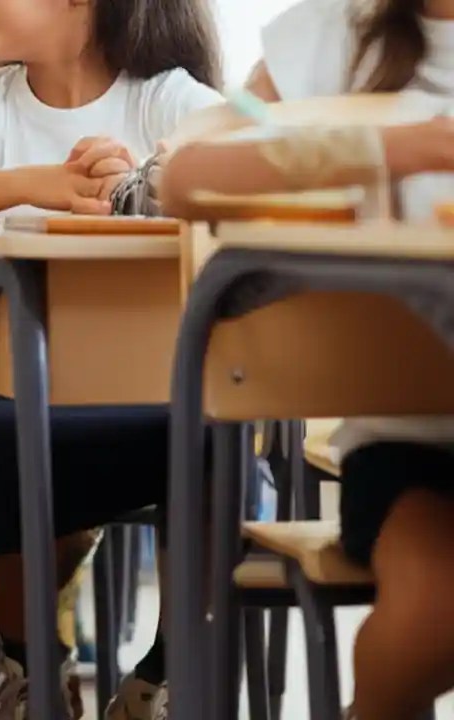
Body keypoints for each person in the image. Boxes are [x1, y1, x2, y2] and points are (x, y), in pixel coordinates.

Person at [0, 1, 226, 718]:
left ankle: (163, 678)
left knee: (222, 446)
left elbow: (243, 167)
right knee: (4, 438)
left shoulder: (165, 96)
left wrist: (145, 177)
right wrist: (42, 183)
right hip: (12, 402)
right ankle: (30, 668)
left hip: (164, 398)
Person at [160, 1, 454, 718]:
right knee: (433, 614)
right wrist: (391, 146)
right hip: (416, 447)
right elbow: (186, 174)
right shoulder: (334, 32)